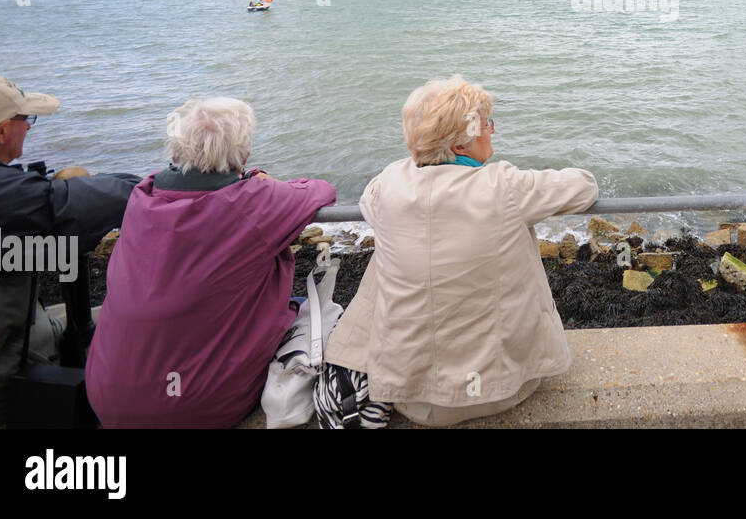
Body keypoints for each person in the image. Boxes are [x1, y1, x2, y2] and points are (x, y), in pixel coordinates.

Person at [320, 75, 598, 427]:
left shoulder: (388, 186)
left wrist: (420, 156)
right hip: (502, 388)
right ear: (462, 143)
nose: (492, 131)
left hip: (414, 398)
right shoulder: (505, 186)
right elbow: (584, 186)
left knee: (392, 257)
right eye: (486, 124)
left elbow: (371, 197)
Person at [84, 97, 335, 427]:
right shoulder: (253, 203)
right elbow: (321, 190)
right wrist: (258, 179)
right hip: (191, 408)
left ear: (174, 152)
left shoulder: (143, 197)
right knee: (318, 310)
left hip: (108, 397)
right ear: (242, 156)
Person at [0, 75, 139, 428]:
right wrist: (177, 182)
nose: (29, 129)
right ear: (0, 132)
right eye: (25, 120)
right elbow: (101, 200)